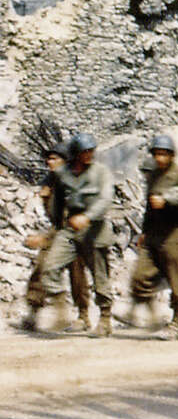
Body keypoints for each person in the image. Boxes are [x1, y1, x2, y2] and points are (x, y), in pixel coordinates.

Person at [126, 134, 178, 340]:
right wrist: (143, 232)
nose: (160, 158)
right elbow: (149, 209)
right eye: (157, 154)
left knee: (177, 282)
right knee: (140, 276)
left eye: (164, 154)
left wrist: (168, 201)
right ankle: (150, 312)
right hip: (154, 236)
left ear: (171, 155)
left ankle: (177, 322)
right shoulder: (154, 176)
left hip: (175, 235)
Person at [39, 134, 116, 337]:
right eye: (85, 152)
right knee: (50, 267)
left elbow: (106, 198)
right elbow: (56, 203)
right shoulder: (63, 174)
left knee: (100, 277)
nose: (89, 155)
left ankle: (105, 319)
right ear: (75, 154)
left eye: (91, 151)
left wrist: (88, 217)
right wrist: (57, 226)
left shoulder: (101, 172)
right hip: (70, 230)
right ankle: (66, 307)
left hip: (95, 231)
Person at [17, 142, 91, 332]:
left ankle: (83, 316)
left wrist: (47, 238)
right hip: (58, 230)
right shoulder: (49, 182)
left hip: (76, 233)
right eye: (48, 158)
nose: (50, 162)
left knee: (77, 276)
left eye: (55, 158)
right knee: (41, 268)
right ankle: (34, 312)